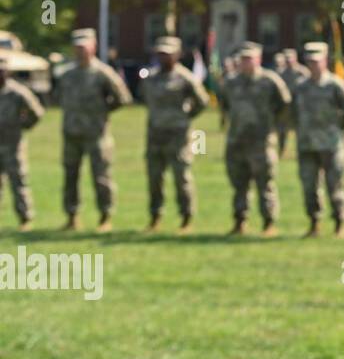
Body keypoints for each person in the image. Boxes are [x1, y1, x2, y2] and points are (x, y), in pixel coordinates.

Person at [59, 28, 133, 232]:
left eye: (84, 47)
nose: (80, 51)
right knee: (70, 176)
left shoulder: (103, 73)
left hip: (96, 134)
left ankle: (105, 216)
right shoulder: (67, 75)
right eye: (77, 48)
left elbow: (123, 98)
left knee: (101, 177)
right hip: (71, 133)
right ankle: (72, 216)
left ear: (93, 47)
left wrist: (102, 112)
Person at [220, 42, 291, 236]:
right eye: (243, 59)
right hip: (237, 142)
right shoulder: (231, 82)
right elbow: (225, 104)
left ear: (258, 59)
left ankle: (269, 222)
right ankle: (239, 221)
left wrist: (272, 124)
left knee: (265, 184)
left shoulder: (269, 81)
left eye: (249, 58)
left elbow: (284, 104)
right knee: (239, 185)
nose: (246, 62)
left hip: (262, 143)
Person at [140, 36, 210, 231]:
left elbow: (203, 102)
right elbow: (144, 97)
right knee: (155, 178)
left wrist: (185, 117)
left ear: (177, 55)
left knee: (182, 178)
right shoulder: (151, 77)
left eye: (168, 54)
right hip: (155, 135)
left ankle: (186, 217)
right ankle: (155, 217)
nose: (164, 58)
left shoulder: (185, 77)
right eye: (161, 54)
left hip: (178, 136)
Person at [294, 42, 344, 237]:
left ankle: (339, 223)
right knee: (309, 186)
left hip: (331, 145)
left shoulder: (335, 85)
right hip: (307, 145)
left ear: (325, 61)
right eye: (310, 61)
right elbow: (292, 112)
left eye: (317, 61)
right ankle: (314, 223)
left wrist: (338, 127)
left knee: (335, 185)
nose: (313, 65)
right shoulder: (301, 86)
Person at [0, 55, 44, 230]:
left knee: (18, 183)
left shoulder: (18, 93)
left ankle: (25, 219)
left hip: (12, 145)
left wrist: (23, 125)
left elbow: (37, 112)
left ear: (8, 72)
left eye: (2, 71)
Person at [277, 48, 309, 156]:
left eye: (291, 58)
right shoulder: (281, 73)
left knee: (301, 128)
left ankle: (302, 150)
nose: (289, 61)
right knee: (282, 129)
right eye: (287, 59)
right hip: (286, 106)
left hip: (300, 105)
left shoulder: (303, 72)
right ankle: (282, 150)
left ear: (295, 58)